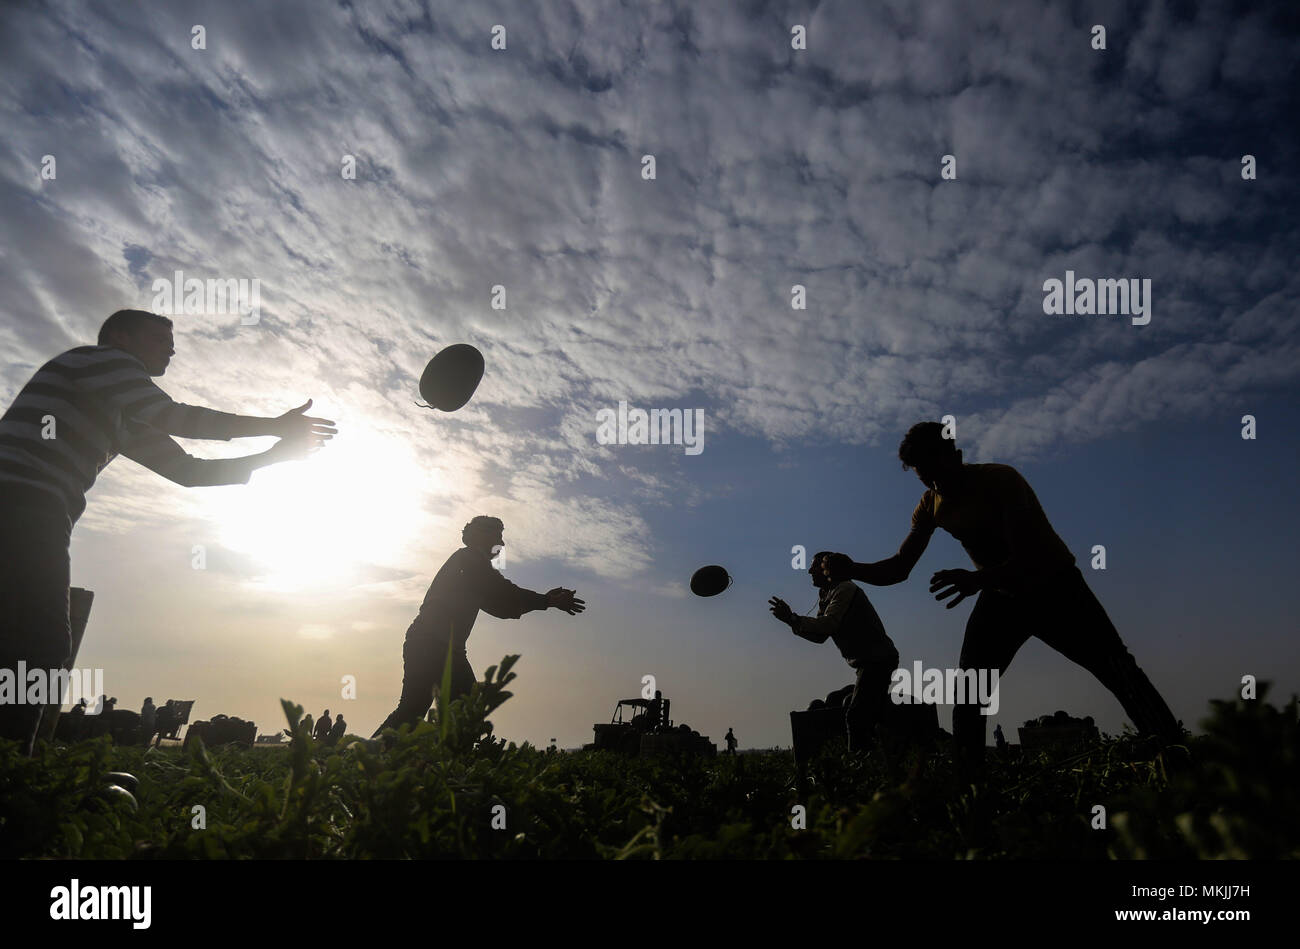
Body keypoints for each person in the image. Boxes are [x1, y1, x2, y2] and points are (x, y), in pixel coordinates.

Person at [0, 309, 337, 755]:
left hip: (37, 508)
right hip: (23, 499)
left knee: (29, 641)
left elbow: (188, 471)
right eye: (161, 340)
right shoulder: (105, 361)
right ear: (120, 337)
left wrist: (276, 455)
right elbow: (176, 416)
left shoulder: (121, 413)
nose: (172, 349)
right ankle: (11, 773)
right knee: (40, 642)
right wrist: (274, 426)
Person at [832, 421, 1182, 771]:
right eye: (926, 478)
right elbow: (898, 568)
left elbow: (1029, 555)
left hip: (1055, 586)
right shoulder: (930, 504)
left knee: (1118, 670)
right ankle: (969, 784)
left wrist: (975, 580)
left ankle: (1176, 753)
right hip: (1001, 596)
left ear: (956, 456)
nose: (936, 484)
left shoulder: (1000, 480)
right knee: (970, 693)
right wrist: (852, 569)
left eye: (938, 472)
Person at [372, 516, 585, 737]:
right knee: (461, 710)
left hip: (438, 646)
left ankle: (381, 759)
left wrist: (545, 601)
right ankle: (422, 759)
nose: (502, 544)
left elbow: (503, 607)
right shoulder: (469, 558)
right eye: (498, 536)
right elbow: (503, 592)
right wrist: (547, 601)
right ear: (481, 535)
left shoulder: (471, 567)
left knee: (421, 711)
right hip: (434, 645)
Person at [771, 552, 900, 753]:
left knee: (856, 717)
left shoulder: (845, 589)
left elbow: (828, 625)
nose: (810, 571)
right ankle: (884, 752)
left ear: (827, 570)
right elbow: (819, 636)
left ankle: (862, 766)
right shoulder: (826, 594)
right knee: (861, 712)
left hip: (877, 661)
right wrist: (790, 621)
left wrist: (793, 618)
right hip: (866, 663)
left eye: (815, 567)